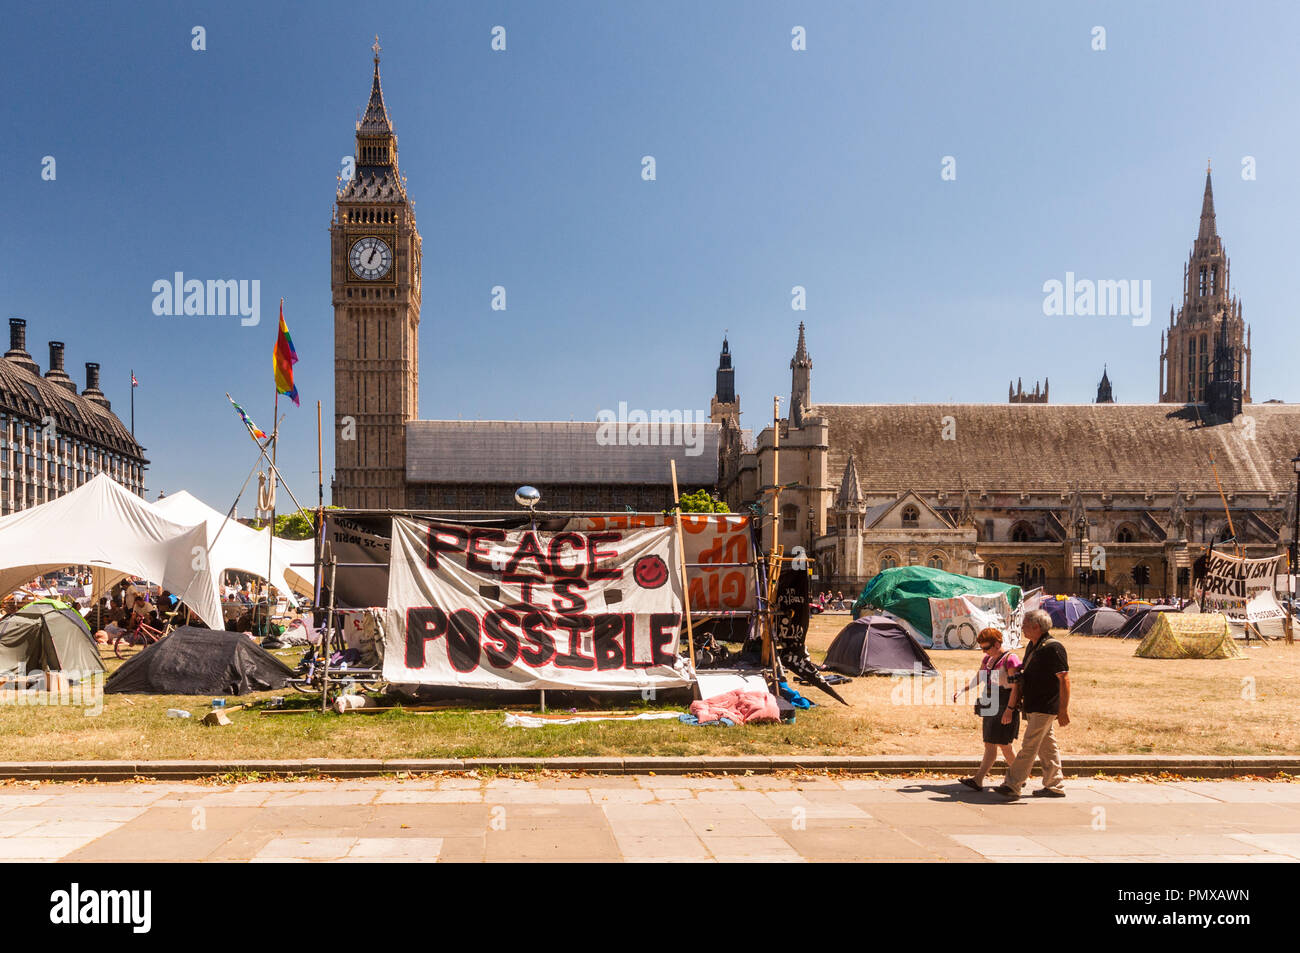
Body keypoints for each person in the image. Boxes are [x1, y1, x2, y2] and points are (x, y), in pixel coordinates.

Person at [994, 608, 1070, 799]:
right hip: (1033, 704)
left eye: (1025, 625)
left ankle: (1012, 784)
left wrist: (1063, 710)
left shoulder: (1053, 647)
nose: (1022, 628)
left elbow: (1064, 679)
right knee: (1047, 745)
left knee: (1029, 745)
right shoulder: (1033, 645)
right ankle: (1055, 785)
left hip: (1045, 705)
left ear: (1037, 627)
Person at [953, 627, 1021, 791]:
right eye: (982, 648)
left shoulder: (1011, 660)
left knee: (1004, 745)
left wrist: (1010, 709)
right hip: (991, 703)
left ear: (997, 643)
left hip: (1005, 703)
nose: (984, 651)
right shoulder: (988, 660)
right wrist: (963, 690)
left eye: (986, 647)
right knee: (990, 743)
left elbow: (1016, 688)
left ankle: (1019, 776)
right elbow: (980, 677)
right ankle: (979, 780)